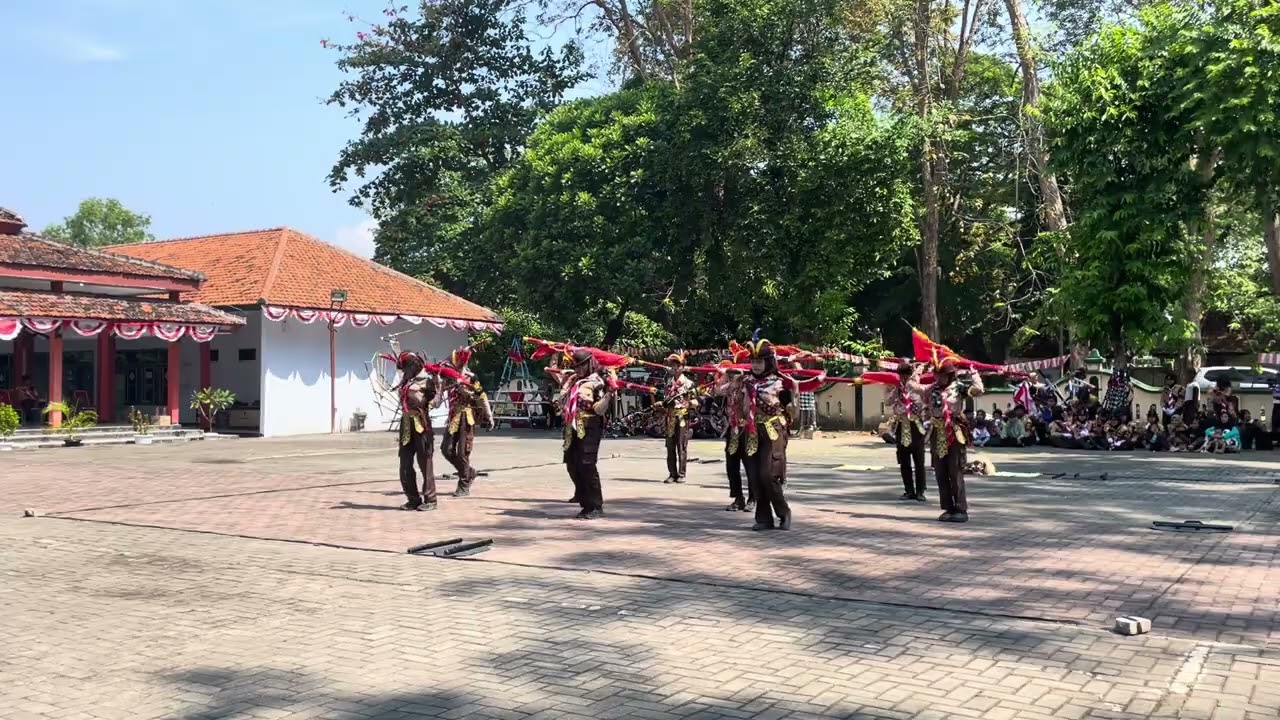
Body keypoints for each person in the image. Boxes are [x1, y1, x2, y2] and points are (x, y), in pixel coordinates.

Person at [738, 335, 794, 531]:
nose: (756, 365)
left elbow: (790, 410)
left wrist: (791, 393)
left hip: (773, 430)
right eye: (753, 361)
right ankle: (763, 519)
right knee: (754, 476)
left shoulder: (780, 383)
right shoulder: (744, 381)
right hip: (752, 431)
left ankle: (783, 511)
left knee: (767, 474)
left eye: (759, 361)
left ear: (768, 362)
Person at [922, 358, 984, 523]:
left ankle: (960, 508)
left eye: (942, 375)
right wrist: (919, 369)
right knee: (940, 471)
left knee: (955, 470)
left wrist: (973, 372)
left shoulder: (959, 387)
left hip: (955, 431)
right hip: (937, 431)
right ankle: (948, 507)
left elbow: (978, 389)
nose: (938, 378)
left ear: (950, 375)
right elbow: (914, 389)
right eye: (936, 375)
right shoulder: (932, 389)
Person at [560, 349, 615, 519]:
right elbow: (562, 399)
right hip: (572, 424)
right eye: (575, 367)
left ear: (588, 364)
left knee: (587, 463)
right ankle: (584, 501)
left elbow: (600, 408)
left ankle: (595, 505)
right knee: (572, 462)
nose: (577, 370)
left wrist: (609, 394)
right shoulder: (574, 381)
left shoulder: (597, 381)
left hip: (590, 424)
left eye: (580, 366)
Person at [437, 344, 494, 498]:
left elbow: (481, 396)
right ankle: (470, 472)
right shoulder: (449, 377)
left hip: (466, 417)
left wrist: (489, 416)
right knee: (446, 449)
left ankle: (464, 484)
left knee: (463, 452)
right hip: (453, 417)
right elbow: (439, 395)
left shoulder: (471, 377)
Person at [386, 352, 438, 511]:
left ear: (412, 367)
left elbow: (435, 402)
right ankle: (413, 499)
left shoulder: (428, 380)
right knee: (405, 463)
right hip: (406, 424)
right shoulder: (406, 381)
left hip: (421, 424)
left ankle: (431, 499)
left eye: (405, 369)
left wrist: (438, 385)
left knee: (425, 463)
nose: (403, 373)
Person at [715, 364, 756, 512]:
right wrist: (724, 375)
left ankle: (753, 498)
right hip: (733, 430)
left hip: (747, 429)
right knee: (732, 466)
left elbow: (748, 408)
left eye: (736, 373)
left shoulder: (749, 386)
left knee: (750, 466)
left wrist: (742, 383)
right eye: (731, 373)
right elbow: (718, 391)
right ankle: (738, 498)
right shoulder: (730, 387)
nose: (734, 375)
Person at [886, 362, 928, 501]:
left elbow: (924, 394)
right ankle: (909, 490)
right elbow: (887, 402)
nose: (903, 377)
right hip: (901, 424)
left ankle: (920, 491)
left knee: (919, 460)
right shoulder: (896, 388)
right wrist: (894, 392)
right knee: (904, 460)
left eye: (906, 374)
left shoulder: (916, 385)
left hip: (916, 424)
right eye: (901, 375)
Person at [660, 352, 698, 484]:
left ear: (683, 367)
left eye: (677, 366)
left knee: (681, 446)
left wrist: (692, 404)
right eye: (672, 366)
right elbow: (664, 400)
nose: (674, 368)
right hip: (670, 417)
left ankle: (682, 473)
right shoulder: (668, 383)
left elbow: (696, 401)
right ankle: (672, 473)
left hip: (682, 416)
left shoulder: (688, 384)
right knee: (670, 446)